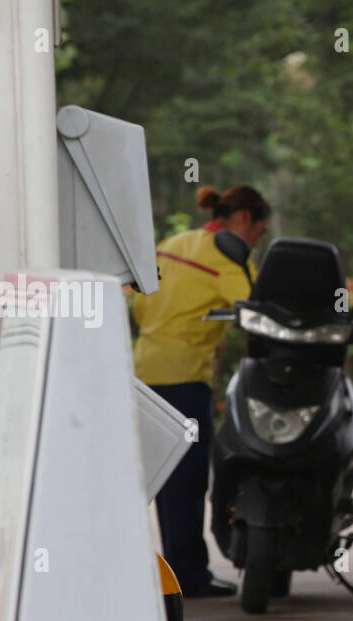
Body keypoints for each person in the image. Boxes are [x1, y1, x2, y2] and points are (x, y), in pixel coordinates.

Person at [132, 184, 271, 597]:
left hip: (141, 371)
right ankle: (188, 576)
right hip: (183, 377)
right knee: (188, 481)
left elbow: (140, 303)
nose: (255, 243)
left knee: (155, 481)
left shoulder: (172, 243)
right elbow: (258, 307)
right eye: (258, 234)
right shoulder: (227, 254)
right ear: (244, 218)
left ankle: (159, 574)